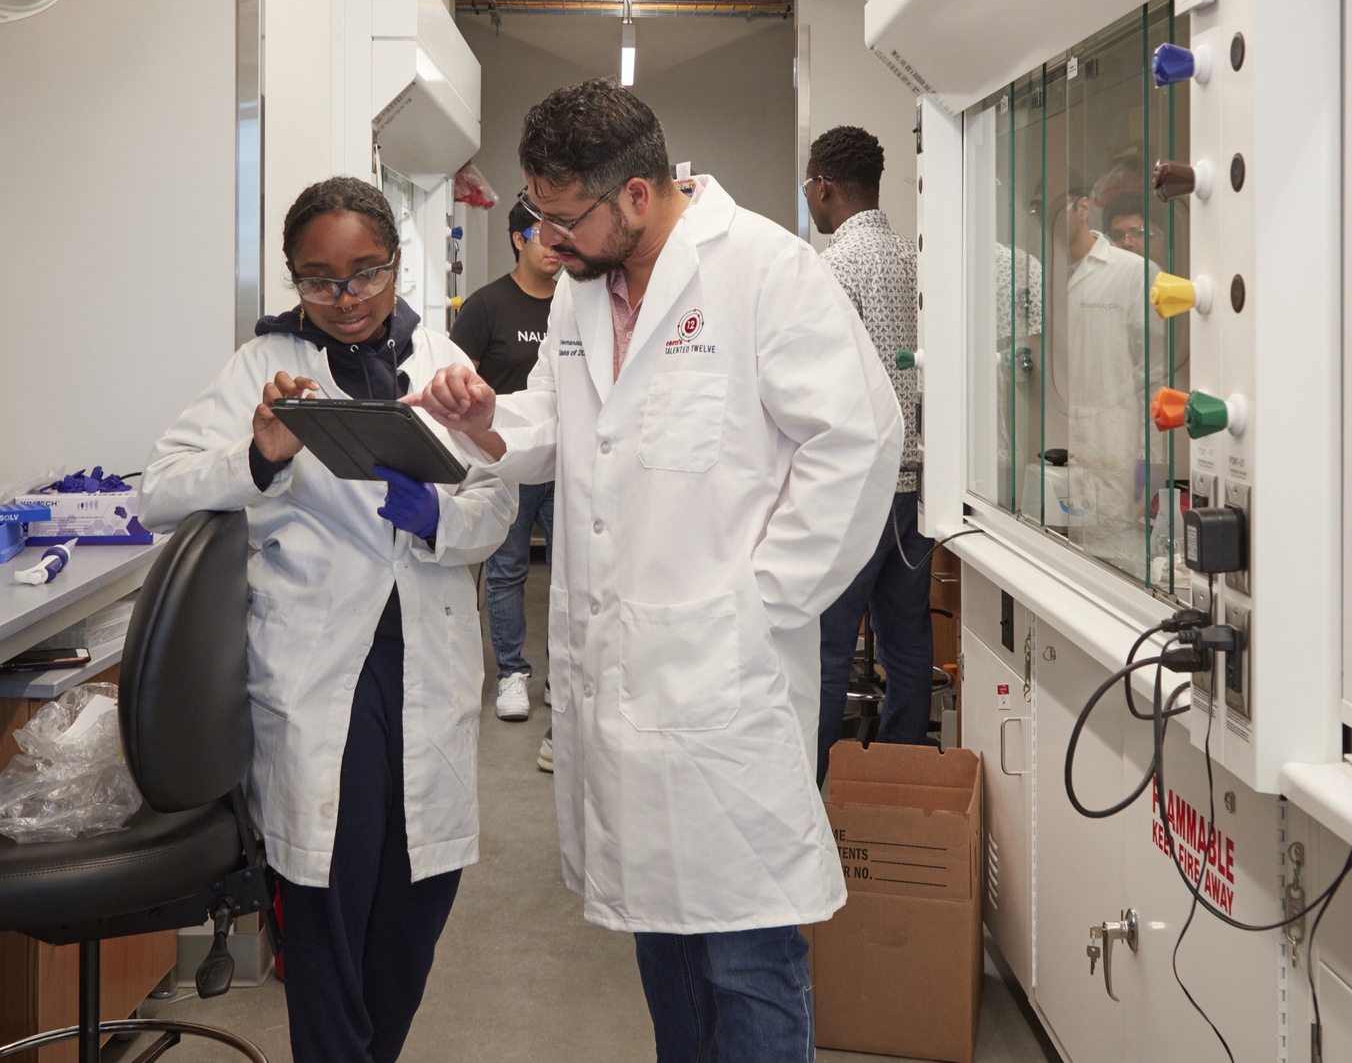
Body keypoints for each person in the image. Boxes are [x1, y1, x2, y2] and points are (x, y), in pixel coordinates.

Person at [414, 82, 901, 1063]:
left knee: (744, 951)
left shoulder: (763, 269)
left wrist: (756, 602)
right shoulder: (585, 294)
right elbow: (556, 421)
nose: (545, 240)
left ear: (635, 194)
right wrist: (480, 424)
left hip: (724, 678)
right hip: (620, 678)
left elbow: (859, 439)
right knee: (662, 942)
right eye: (538, 216)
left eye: (562, 218)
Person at [141, 177, 515, 1063]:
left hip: (423, 660)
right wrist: (261, 454)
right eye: (319, 280)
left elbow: (496, 501)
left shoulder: (442, 363)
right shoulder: (259, 369)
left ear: (395, 263)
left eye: (366, 273)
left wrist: (444, 518)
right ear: (292, 279)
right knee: (327, 902)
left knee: (418, 898)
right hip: (317, 675)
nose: (345, 299)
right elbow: (159, 490)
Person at [802, 125, 934, 786]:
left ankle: (822, 792)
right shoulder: (916, 259)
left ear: (824, 187)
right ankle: (898, 786)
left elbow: (818, 386)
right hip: (917, 489)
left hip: (856, 488)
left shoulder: (831, 270)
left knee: (829, 646)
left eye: (809, 189)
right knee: (908, 645)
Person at [451, 198, 562, 745]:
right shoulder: (487, 306)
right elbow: (456, 378)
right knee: (507, 571)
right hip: (506, 464)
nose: (555, 245)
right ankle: (513, 674)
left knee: (574, 572)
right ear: (519, 239)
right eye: (545, 233)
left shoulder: (575, 303)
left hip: (563, 463)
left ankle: (562, 675)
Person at [1060, 185, 1162, 539]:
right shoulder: (1046, 267)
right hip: (1063, 443)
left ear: (1082, 207)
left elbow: (1155, 370)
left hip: (1113, 443)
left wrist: (1151, 455)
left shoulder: (1135, 271)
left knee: (1112, 556)